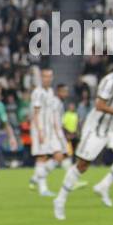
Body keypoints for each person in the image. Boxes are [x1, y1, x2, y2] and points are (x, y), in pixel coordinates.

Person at [53, 60, 113, 220]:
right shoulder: (109, 81)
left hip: (111, 128)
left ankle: (103, 186)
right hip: (96, 129)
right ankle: (60, 199)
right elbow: (99, 105)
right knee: (82, 166)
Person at [29, 69, 71, 197]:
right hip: (39, 129)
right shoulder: (38, 92)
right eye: (45, 76)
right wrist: (40, 131)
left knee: (55, 156)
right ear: (41, 78)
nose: (47, 78)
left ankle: (36, 178)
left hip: (49, 130)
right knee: (42, 157)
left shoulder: (51, 92)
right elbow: (35, 113)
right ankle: (43, 189)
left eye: (49, 76)